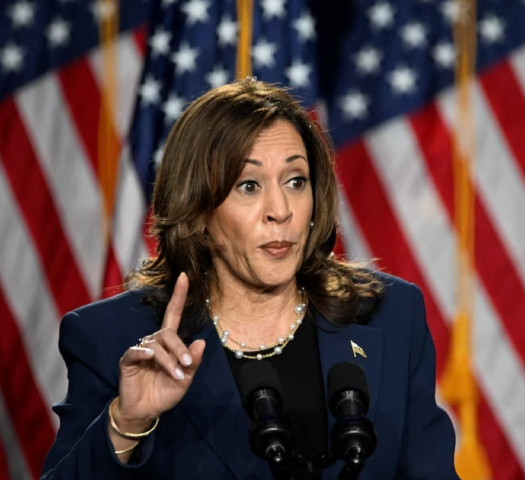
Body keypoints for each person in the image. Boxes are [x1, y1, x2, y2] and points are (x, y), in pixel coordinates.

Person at [41, 79, 459, 479]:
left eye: (296, 181)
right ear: (199, 210)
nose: (280, 210)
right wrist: (126, 421)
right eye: (249, 185)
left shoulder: (388, 315)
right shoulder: (113, 338)